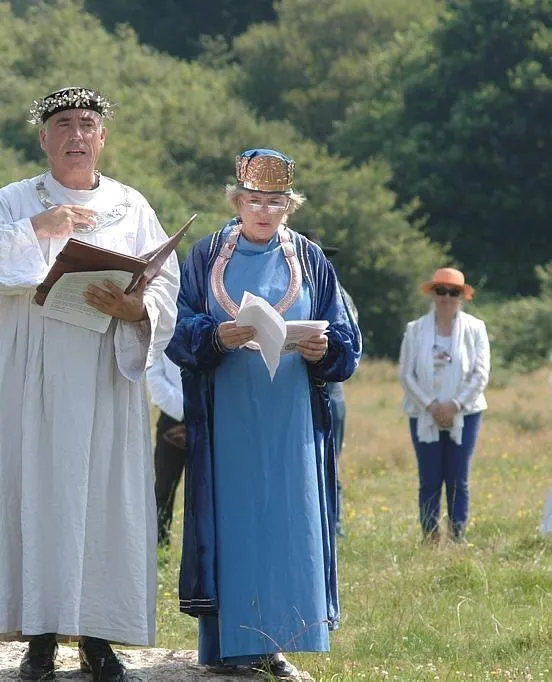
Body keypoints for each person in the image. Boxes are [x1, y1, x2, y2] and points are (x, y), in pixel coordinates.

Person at [0, 87, 179, 681]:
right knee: (39, 494)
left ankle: (99, 638)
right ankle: (40, 638)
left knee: (102, 501)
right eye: (64, 125)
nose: (77, 134)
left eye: (87, 124)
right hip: (35, 372)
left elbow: (164, 279)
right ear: (43, 137)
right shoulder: (15, 199)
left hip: (104, 372)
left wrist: (138, 311)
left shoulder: (131, 205)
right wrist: (36, 228)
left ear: (103, 137)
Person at [167, 149, 361, 680]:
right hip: (226, 414)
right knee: (235, 523)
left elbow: (347, 338)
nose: (264, 211)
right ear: (236, 201)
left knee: (284, 520)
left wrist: (327, 351)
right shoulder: (207, 256)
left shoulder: (312, 259)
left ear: (289, 207)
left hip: (290, 416)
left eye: (275, 202)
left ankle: (276, 643)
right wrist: (214, 335)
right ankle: (230, 647)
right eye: (253, 200)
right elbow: (176, 331)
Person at [398, 267, 489, 544]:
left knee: (457, 478)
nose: (446, 297)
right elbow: (406, 373)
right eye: (441, 291)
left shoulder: (476, 328)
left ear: (461, 296)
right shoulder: (415, 330)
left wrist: (455, 404)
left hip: (466, 413)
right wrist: (431, 406)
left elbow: (481, 373)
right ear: (433, 294)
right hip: (423, 413)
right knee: (429, 479)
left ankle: (458, 535)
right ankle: (430, 537)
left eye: (453, 292)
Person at [301, 230, 359, 537]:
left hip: (330, 390)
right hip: (296, 388)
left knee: (329, 461)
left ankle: (332, 526)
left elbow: (348, 345)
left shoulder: (339, 295)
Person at [147, 351, 185, 547]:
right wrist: (186, 409)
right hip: (172, 417)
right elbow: (153, 375)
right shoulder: (164, 323)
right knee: (164, 486)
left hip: (211, 417)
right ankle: (160, 542)